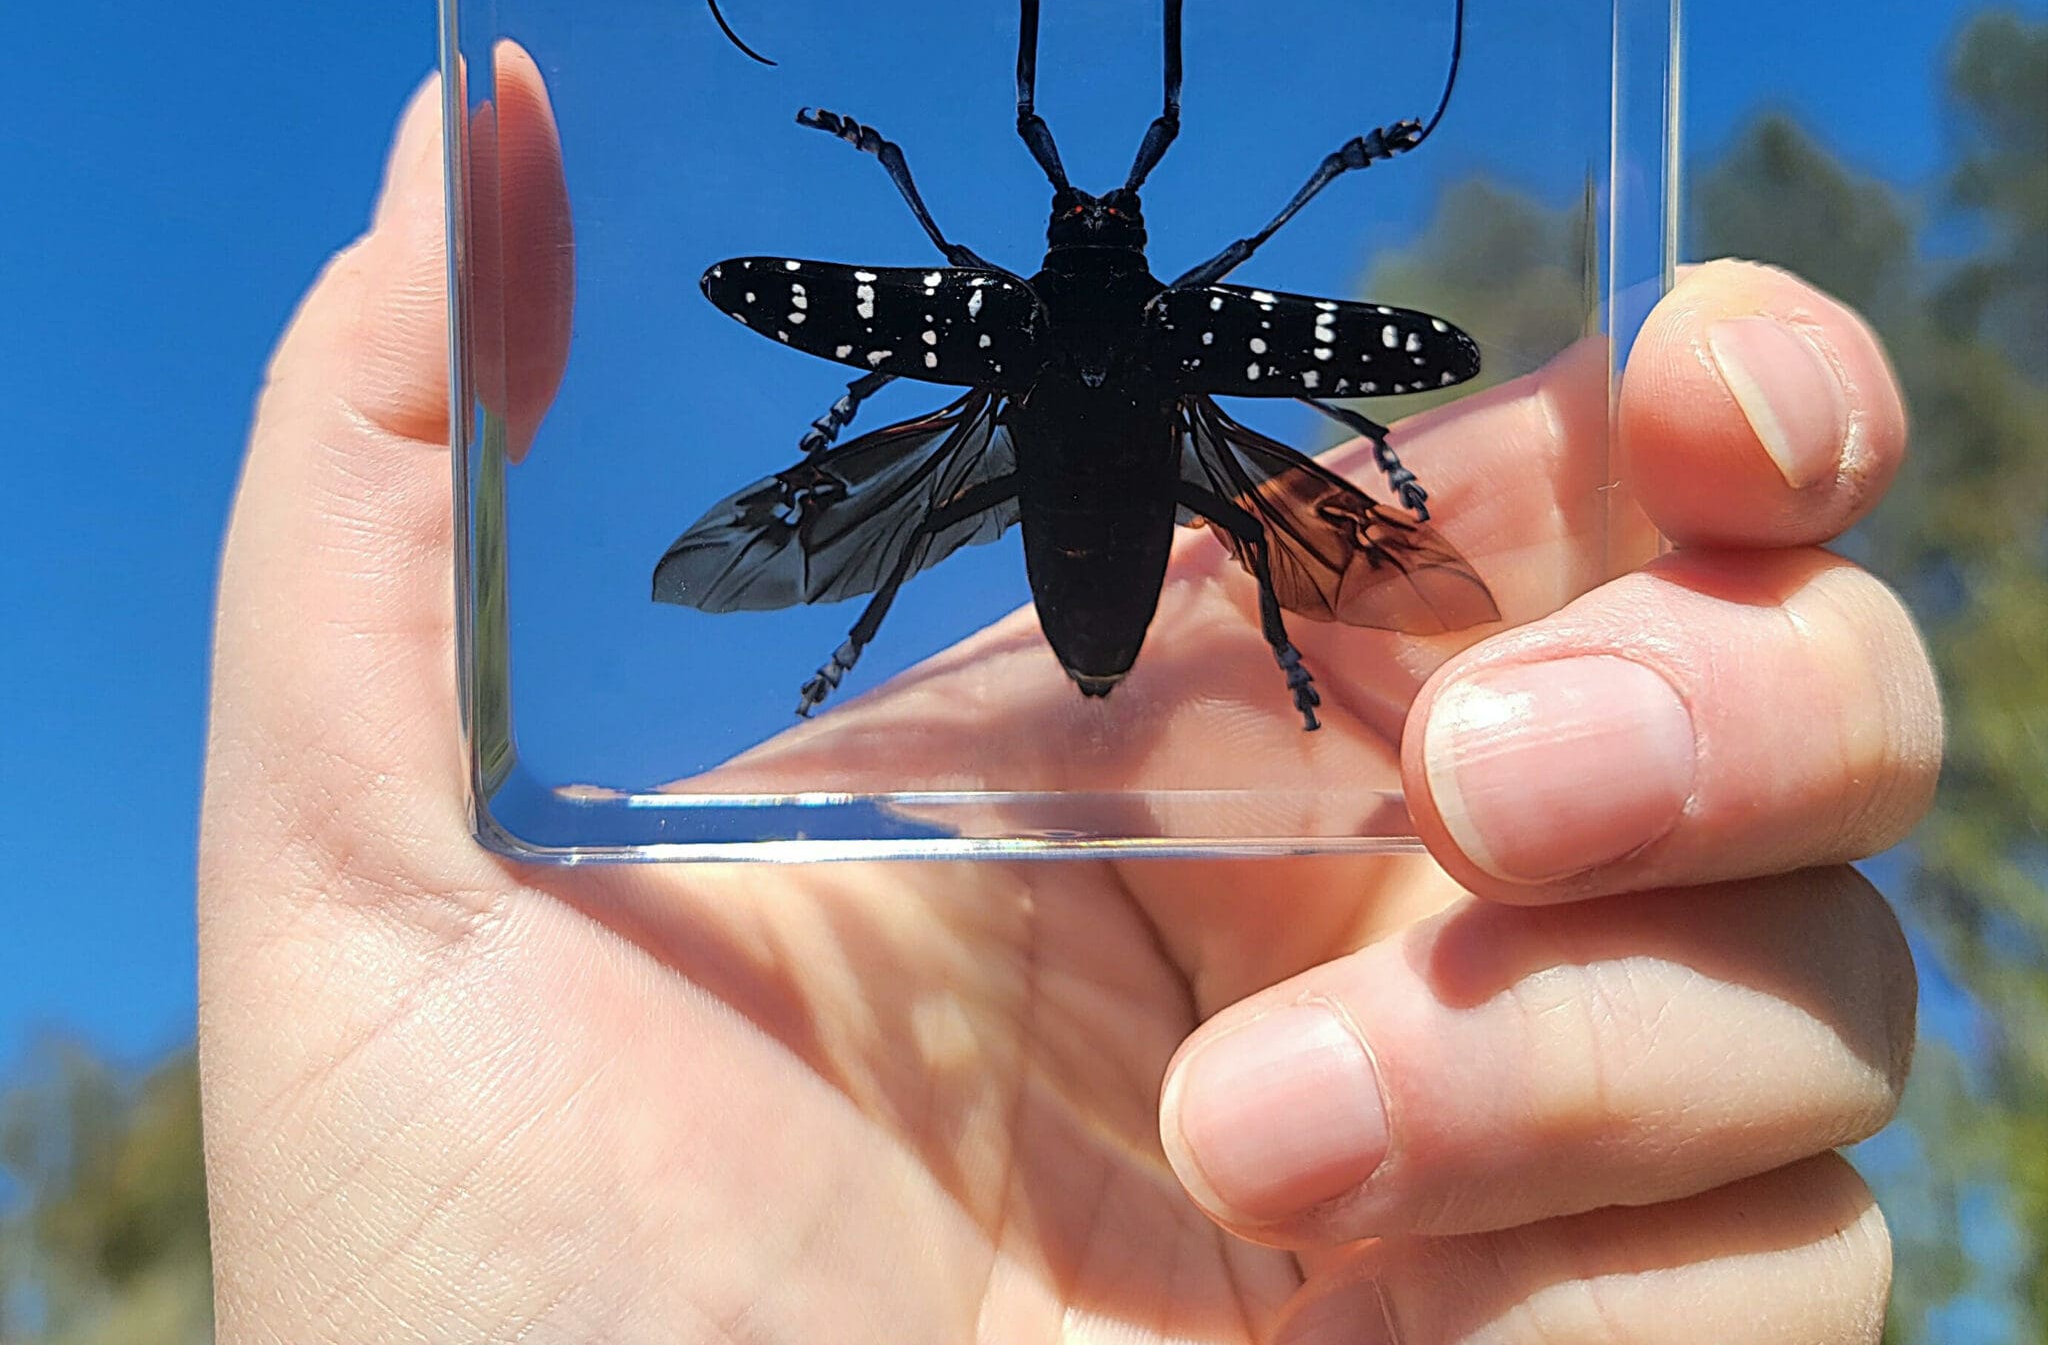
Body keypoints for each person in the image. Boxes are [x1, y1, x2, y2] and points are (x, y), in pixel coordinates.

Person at [200, 71, 1936, 1344]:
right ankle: (1258, 649)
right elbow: (1386, 352)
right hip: (1125, 476)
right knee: (1202, 507)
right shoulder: (1155, 319)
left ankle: (1006, 642)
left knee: (903, 487)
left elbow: (833, 302)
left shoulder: (982, 312)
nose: (1099, 212)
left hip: (1062, 482)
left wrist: (875, 180)